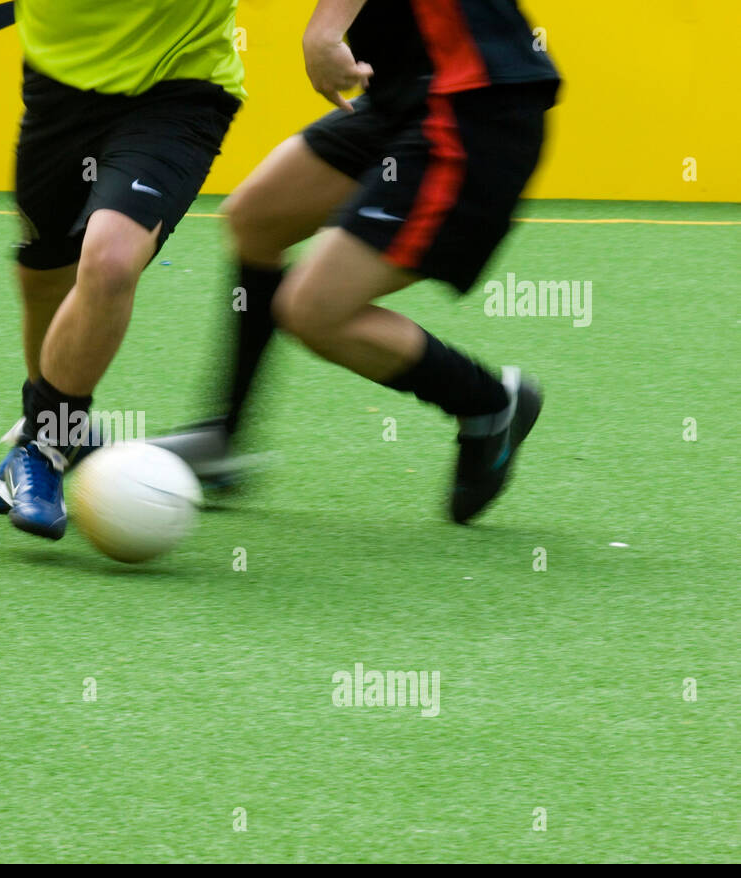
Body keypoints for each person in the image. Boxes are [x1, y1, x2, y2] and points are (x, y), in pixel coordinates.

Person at [162, 0, 559, 524]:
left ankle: (488, 405)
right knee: (257, 217)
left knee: (312, 311)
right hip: (405, 100)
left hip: (473, 107)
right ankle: (224, 438)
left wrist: (323, 33)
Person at [0, 0, 244, 540]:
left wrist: (327, 32)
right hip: (59, 89)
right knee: (44, 278)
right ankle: (70, 431)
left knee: (112, 262)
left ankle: (43, 445)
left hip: (179, 90)